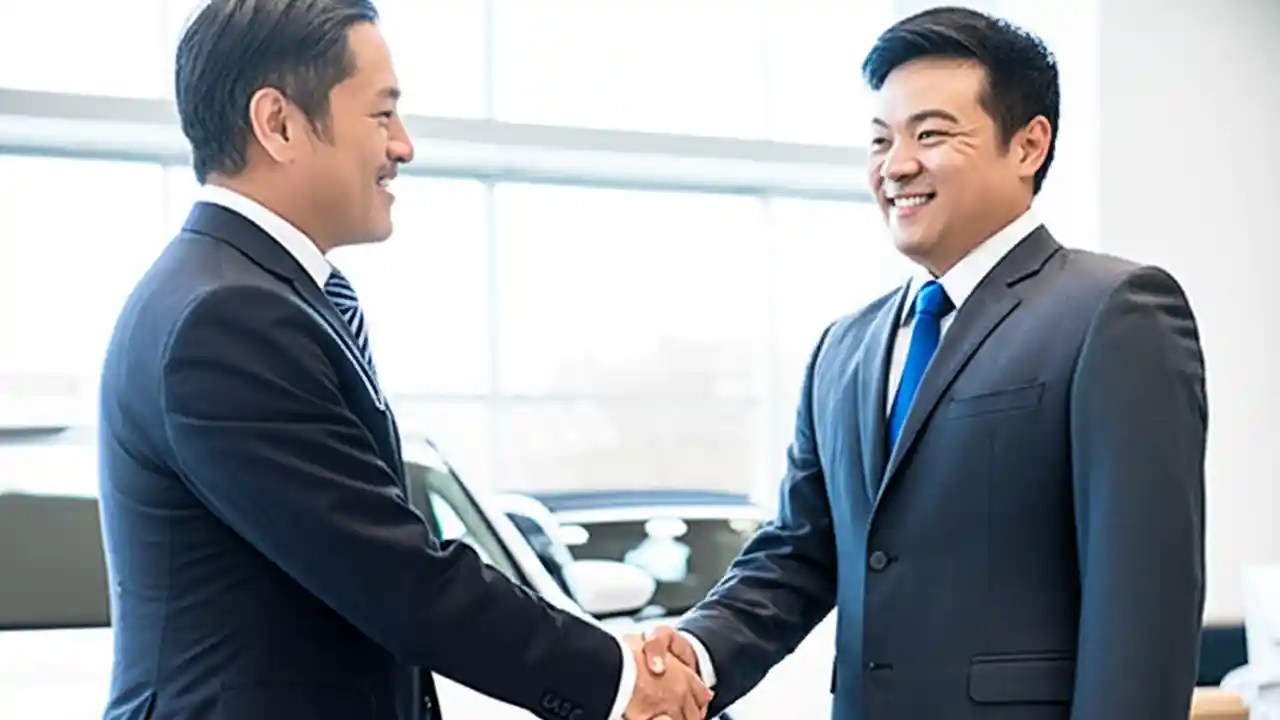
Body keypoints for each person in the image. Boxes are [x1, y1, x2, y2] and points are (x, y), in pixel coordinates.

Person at [96, 2, 710, 719]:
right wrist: (617, 678)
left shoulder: (251, 293)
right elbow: (391, 572)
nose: (405, 146)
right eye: (382, 116)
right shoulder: (225, 318)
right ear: (280, 124)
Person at [638, 6, 1207, 719]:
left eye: (931, 134)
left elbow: (1141, 605)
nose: (896, 164)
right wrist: (695, 653)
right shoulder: (842, 349)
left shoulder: (1114, 312)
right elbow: (797, 556)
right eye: (880, 140)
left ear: (1029, 145)